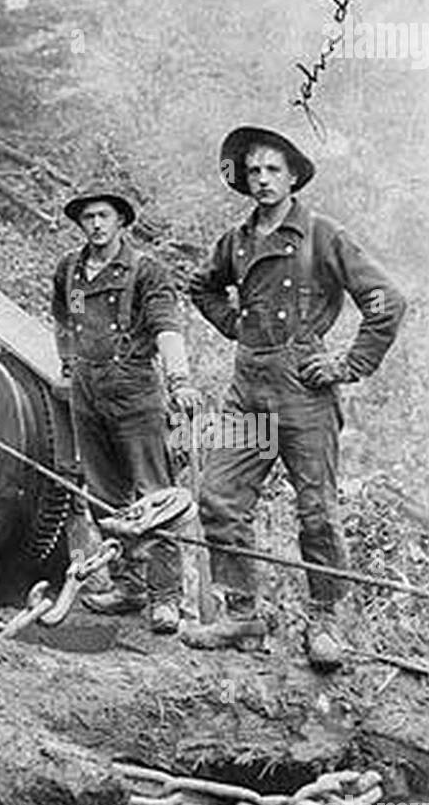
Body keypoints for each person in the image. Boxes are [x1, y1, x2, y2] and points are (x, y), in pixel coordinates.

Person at [184, 125, 406, 669]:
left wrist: (347, 364)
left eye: (272, 171)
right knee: (219, 495)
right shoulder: (236, 240)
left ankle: (325, 623)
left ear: (292, 177)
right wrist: (234, 324)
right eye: (253, 171)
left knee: (316, 511)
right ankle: (241, 615)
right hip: (249, 392)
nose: (261, 180)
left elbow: (386, 300)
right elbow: (202, 286)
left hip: (303, 395)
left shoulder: (323, 236)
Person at [52, 188, 199, 635]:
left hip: (135, 392)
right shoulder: (70, 270)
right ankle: (128, 585)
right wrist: (66, 359)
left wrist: (179, 380)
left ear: (121, 222)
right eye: (88, 218)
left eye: (104, 216)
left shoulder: (146, 271)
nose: (95, 224)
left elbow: (166, 328)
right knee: (104, 494)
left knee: (156, 497)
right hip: (86, 392)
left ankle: (166, 598)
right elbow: (62, 317)